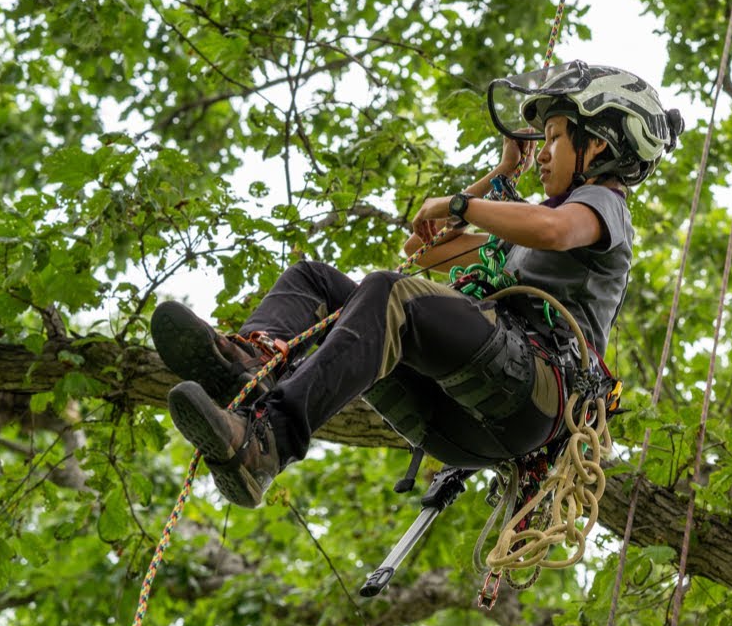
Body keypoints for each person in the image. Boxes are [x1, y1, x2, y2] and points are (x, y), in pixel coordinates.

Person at [151, 61, 684, 508]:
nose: (542, 153)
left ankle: (271, 441)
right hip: (463, 417)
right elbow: (423, 250)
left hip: (533, 389)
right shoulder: (525, 244)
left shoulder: (603, 204)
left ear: (598, 146)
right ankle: (253, 366)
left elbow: (552, 229)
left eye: (554, 138)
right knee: (316, 281)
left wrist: (462, 204)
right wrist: (499, 175)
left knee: (390, 294)